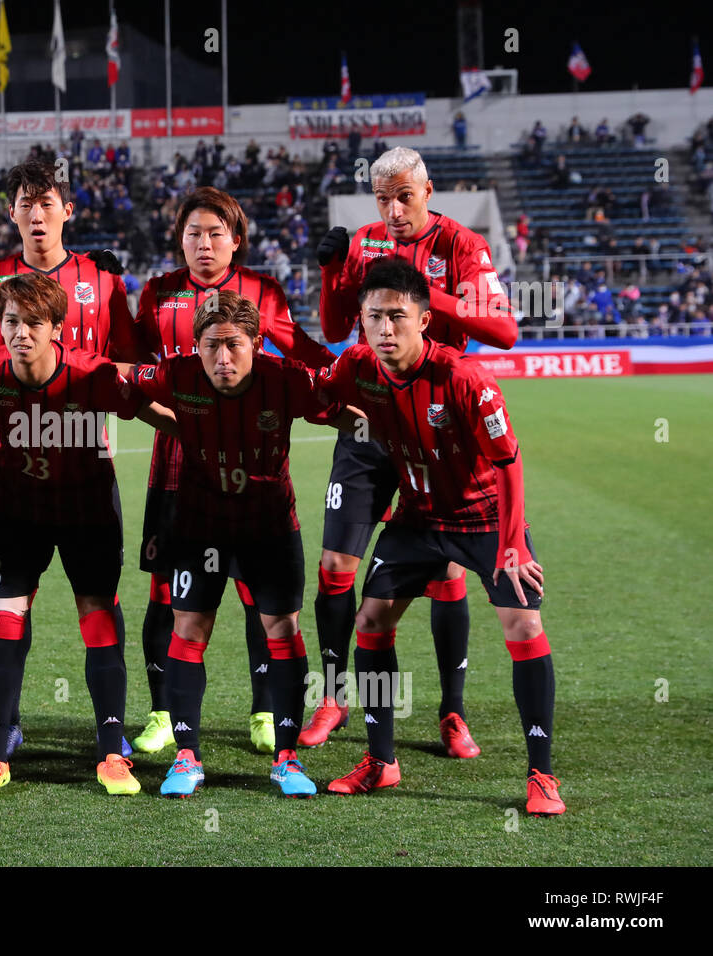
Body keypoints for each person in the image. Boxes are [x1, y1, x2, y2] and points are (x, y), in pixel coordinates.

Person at [316, 260, 563, 816]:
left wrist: (512, 544)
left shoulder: (466, 379)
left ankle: (542, 776)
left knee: (524, 623)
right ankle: (382, 761)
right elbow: (320, 399)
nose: (384, 328)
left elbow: (509, 460)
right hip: (418, 517)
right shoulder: (357, 364)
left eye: (397, 317)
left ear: (425, 320)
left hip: (483, 518)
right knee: (371, 622)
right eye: (374, 316)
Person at [309, 147, 516, 757]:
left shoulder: (462, 245)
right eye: (383, 198)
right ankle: (334, 695)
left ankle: (452, 714)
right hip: (371, 420)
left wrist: (427, 296)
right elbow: (336, 329)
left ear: (428, 190)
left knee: (447, 573)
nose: (394, 210)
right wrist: (330, 272)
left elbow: (504, 331)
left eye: (405, 196)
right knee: (335, 569)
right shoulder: (367, 244)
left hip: (437, 429)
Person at [0, 272, 175, 798]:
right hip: (17, 516)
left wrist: (201, 429)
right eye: (12, 322)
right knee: (4, 623)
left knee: (98, 620)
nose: (21, 333)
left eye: (33, 323)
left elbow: (144, 406)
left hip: (86, 514)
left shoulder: (91, 374)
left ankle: (112, 753)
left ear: (55, 327)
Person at [130, 290, 362, 798]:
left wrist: (388, 427)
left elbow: (345, 413)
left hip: (269, 529)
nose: (222, 357)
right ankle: (186, 758)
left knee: (281, 629)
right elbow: (120, 388)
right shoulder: (178, 374)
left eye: (234, 345)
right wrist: (176, 425)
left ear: (257, 344)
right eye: (211, 345)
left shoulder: (287, 380)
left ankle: (286, 757)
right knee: (188, 628)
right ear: (196, 346)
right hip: (198, 527)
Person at [129, 187, 335, 758]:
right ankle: (163, 712)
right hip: (175, 470)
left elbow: (298, 350)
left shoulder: (262, 292)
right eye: (193, 233)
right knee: (165, 593)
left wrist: (349, 369)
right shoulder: (156, 294)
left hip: (250, 470)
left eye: (216, 234)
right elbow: (131, 367)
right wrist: (184, 427)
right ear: (180, 240)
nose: (204, 244)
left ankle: (265, 708)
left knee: (256, 595)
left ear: (236, 241)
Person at [0, 159, 148, 756]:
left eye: (48, 203)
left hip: (88, 473)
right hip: (18, 477)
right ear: (11, 211)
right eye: (26, 203)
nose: (37, 214)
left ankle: (110, 737)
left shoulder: (104, 280)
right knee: (7, 611)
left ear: (68, 211)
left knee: (97, 607)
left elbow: (130, 364)